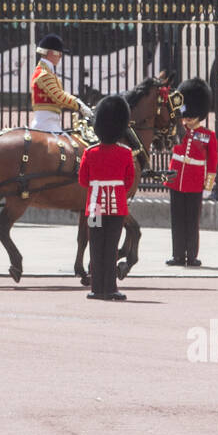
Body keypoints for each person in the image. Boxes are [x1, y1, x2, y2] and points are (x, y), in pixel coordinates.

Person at [79, 95, 135, 301]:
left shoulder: (90, 152)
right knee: (111, 246)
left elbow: (83, 180)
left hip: (95, 206)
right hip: (117, 207)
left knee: (95, 245)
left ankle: (96, 288)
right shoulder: (126, 153)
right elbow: (129, 181)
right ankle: (110, 288)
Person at [166, 78, 218, 267]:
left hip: (195, 182)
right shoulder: (178, 129)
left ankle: (191, 255)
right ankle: (177, 255)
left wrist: (208, 186)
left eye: (191, 115)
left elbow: (212, 164)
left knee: (191, 222)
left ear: (199, 113)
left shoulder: (208, 136)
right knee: (177, 220)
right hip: (176, 180)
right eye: (186, 114)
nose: (187, 118)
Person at [30, 33, 92, 134]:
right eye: (59, 53)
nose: (60, 56)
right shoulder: (43, 74)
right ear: (50, 53)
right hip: (46, 124)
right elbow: (59, 96)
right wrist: (79, 105)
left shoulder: (47, 72)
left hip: (51, 122)